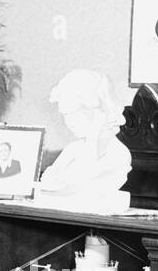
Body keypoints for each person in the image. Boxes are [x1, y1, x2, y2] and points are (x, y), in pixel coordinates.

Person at [35, 69, 132, 213]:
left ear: (98, 111)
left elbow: (88, 185)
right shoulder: (72, 149)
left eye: (74, 114)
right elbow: (48, 182)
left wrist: (96, 132)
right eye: (66, 115)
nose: (70, 123)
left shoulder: (119, 155)